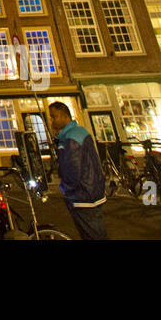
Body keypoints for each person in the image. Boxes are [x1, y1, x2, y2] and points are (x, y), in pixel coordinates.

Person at [48, 101, 108, 239]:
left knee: (92, 235)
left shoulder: (70, 138)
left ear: (65, 116)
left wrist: (65, 189)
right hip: (93, 191)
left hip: (83, 195)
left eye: (54, 117)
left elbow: (72, 170)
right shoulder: (80, 131)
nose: (52, 121)